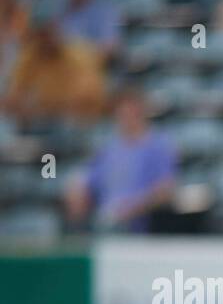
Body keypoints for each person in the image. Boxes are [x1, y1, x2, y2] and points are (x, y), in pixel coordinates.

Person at [65, 88, 177, 233]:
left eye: (131, 112)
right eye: (122, 113)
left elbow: (165, 190)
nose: (127, 117)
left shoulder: (158, 145)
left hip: (141, 226)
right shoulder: (109, 147)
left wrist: (131, 209)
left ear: (141, 112)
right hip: (105, 222)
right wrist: (77, 189)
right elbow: (88, 178)